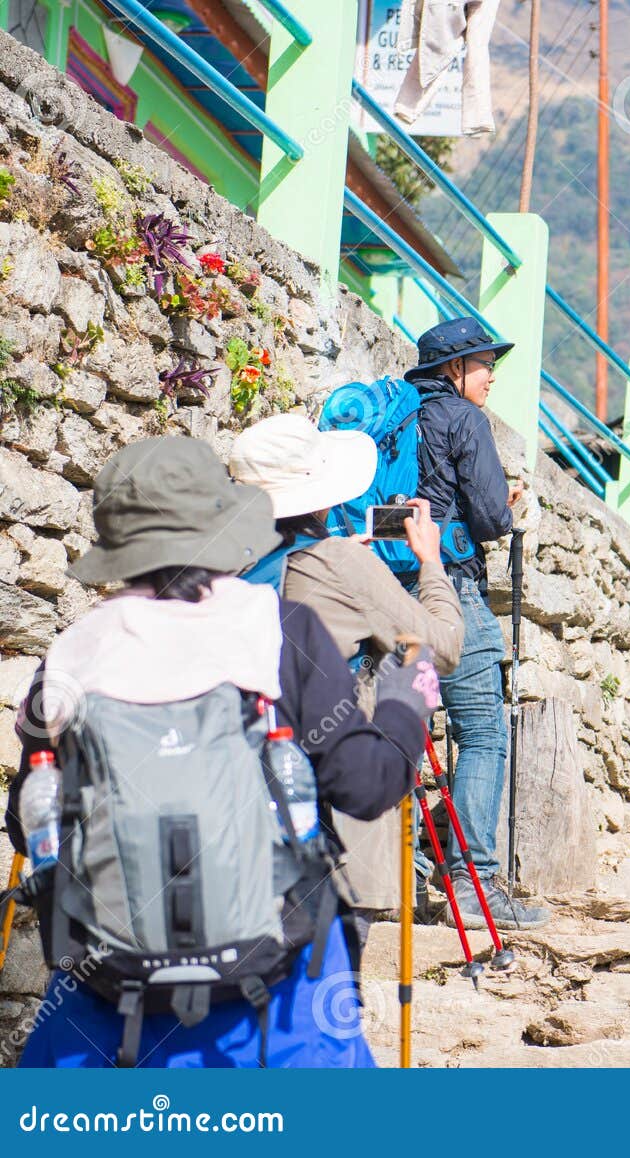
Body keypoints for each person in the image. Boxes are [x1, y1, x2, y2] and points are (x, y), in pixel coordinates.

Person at [4, 437, 439, 1067]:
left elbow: (29, 823)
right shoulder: (279, 631)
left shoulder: (73, 654)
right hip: (279, 1005)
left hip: (107, 1007)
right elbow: (369, 785)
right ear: (224, 524)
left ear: (114, 544)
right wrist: (408, 694)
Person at [229, 413, 465, 941]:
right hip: (330, 769)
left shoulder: (225, 560)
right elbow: (439, 647)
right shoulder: (335, 561)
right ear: (320, 493)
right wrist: (430, 563)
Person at [405, 318, 544, 930]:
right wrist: (509, 507)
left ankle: (395, 877)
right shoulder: (464, 420)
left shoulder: (397, 417)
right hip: (453, 589)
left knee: (398, 732)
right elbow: (488, 518)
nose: (491, 376)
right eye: (484, 364)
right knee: (483, 732)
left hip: (385, 589)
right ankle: (473, 888)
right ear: (455, 370)